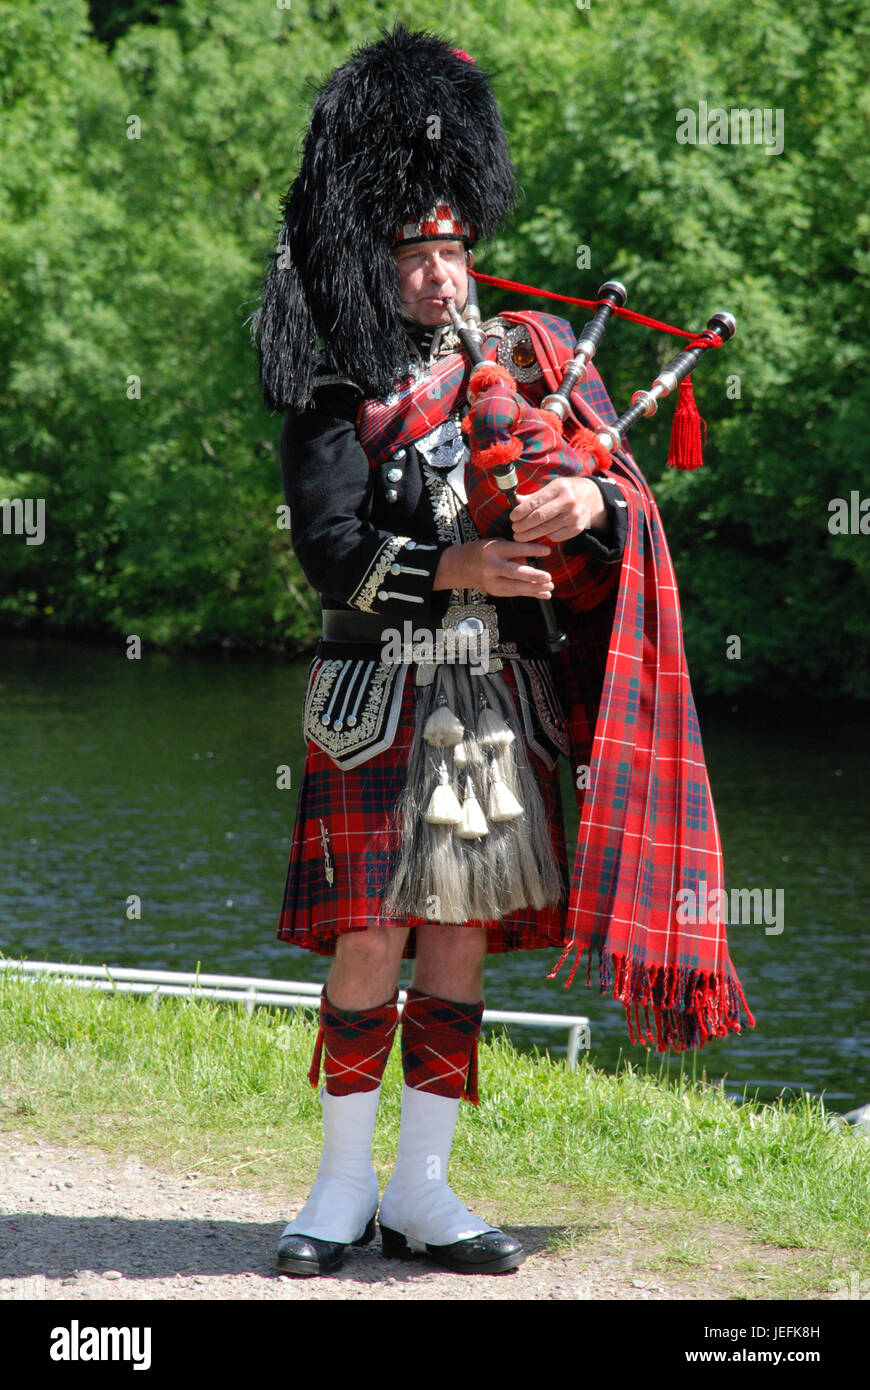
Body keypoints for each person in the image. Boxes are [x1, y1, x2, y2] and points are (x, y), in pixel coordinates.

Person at [250, 24, 752, 1279]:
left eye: (454, 249)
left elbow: (619, 504)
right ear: (377, 254)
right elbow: (329, 552)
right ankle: (334, 1190)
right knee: (371, 933)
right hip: (374, 688)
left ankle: (424, 1190)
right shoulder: (334, 380)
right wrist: (454, 566)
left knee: (460, 931)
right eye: (416, 253)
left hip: (493, 695)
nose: (440, 274)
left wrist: (591, 509)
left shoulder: (526, 364)